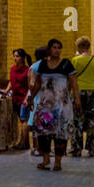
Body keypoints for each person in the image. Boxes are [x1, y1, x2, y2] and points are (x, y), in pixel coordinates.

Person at [27, 39, 81, 171]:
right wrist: (31, 98)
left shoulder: (66, 64)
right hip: (45, 106)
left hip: (62, 105)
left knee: (60, 133)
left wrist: (77, 99)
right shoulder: (42, 65)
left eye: (59, 47)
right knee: (43, 134)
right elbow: (38, 84)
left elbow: (74, 82)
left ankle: (58, 161)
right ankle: (46, 159)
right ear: (49, 50)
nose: (57, 50)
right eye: (54, 47)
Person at [70, 37, 94, 157]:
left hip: (78, 92)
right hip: (92, 91)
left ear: (79, 47)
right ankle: (92, 148)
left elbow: (72, 79)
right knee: (92, 121)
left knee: (77, 120)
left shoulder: (75, 60)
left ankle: (76, 148)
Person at [3, 48, 32, 149]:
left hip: (24, 98)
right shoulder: (12, 69)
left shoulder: (27, 70)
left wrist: (27, 99)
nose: (15, 58)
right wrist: (6, 91)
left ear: (23, 58)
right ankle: (26, 143)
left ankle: (22, 142)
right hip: (15, 98)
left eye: (17, 56)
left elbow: (30, 86)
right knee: (21, 120)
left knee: (24, 120)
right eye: (14, 56)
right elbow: (11, 81)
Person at [27, 46, 48, 156]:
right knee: (47, 124)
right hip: (49, 98)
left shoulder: (33, 67)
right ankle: (46, 148)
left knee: (36, 124)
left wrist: (31, 95)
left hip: (37, 97)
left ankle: (36, 147)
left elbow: (31, 84)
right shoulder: (49, 66)